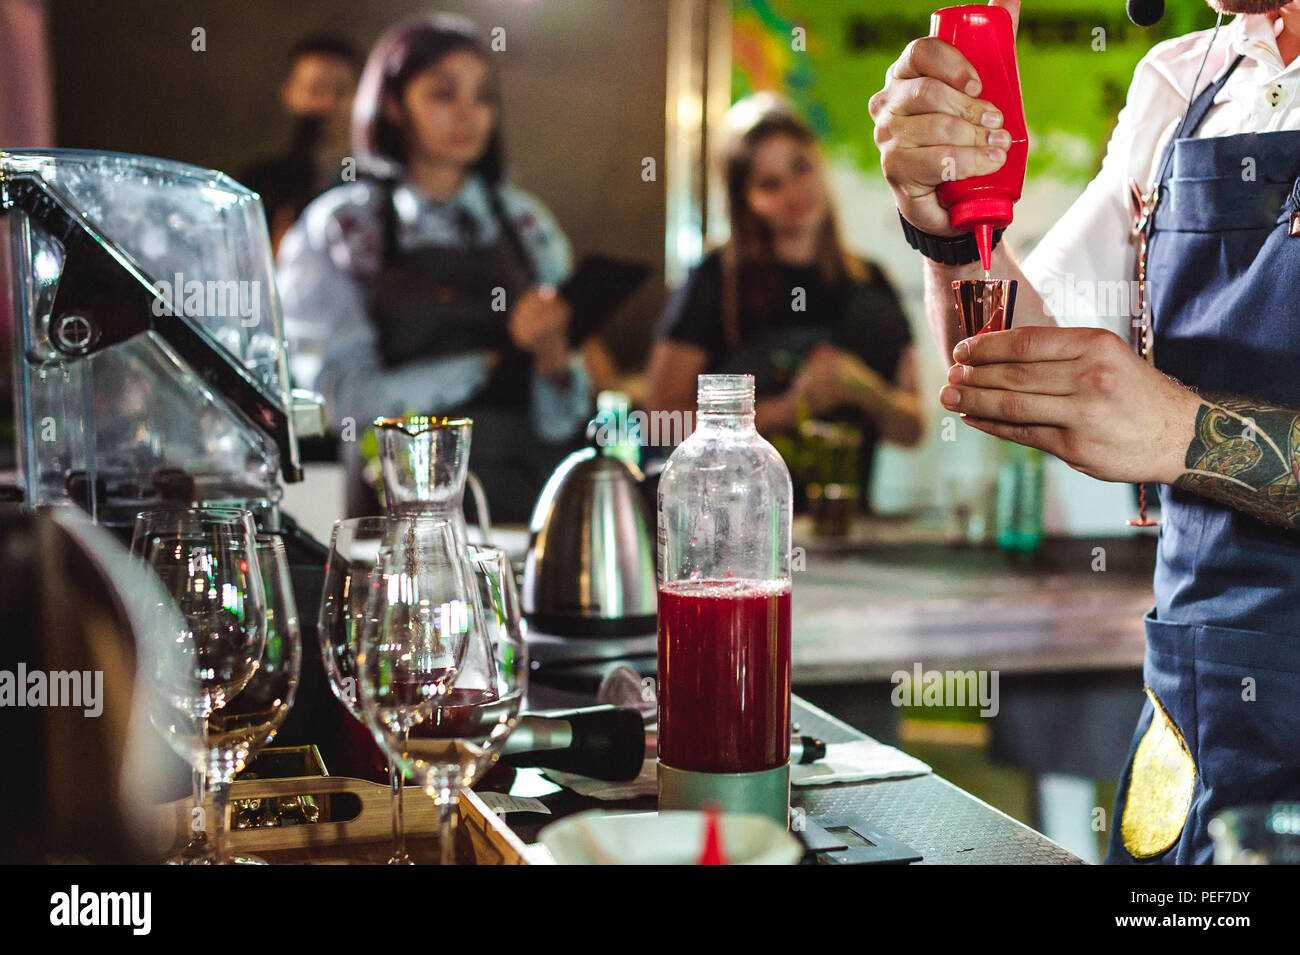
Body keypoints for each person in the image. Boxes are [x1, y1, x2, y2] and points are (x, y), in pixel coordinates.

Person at [870, 0, 1300, 863]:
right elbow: (1008, 361)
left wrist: (1184, 432)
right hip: (1197, 709)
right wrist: (950, 227)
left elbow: (1162, 426)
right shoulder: (1181, 85)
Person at [277, 14, 589, 521]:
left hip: (525, 511)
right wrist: (488, 364)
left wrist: (554, 363)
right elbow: (342, 404)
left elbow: (563, 422)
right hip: (396, 513)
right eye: (444, 94)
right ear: (394, 105)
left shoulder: (528, 225)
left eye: (483, 96)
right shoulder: (342, 228)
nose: (468, 113)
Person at [647, 94, 923, 503]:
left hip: (845, 532)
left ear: (818, 163)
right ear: (746, 202)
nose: (795, 191)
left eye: (800, 168)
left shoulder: (870, 284)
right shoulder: (716, 282)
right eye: (770, 184)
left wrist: (864, 390)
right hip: (737, 533)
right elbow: (659, 422)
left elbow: (913, 428)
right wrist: (787, 410)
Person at [243, 33, 362, 253]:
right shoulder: (257, 186)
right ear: (289, 93)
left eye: (341, 90)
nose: (327, 103)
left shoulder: (380, 187)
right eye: (314, 89)